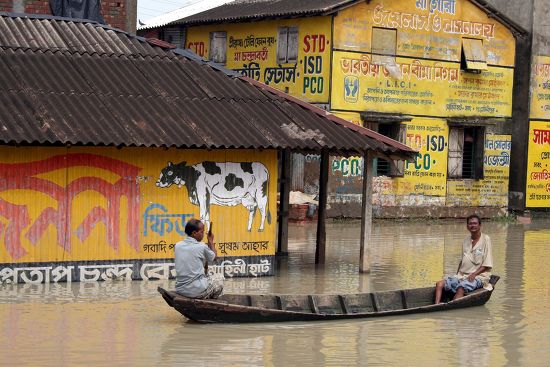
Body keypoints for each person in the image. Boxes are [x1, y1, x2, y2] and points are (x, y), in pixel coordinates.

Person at [434, 214, 493, 304]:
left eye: (475, 223)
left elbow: (487, 265)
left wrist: (474, 274)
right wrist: (457, 275)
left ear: (480, 225)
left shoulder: (486, 239)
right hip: (462, 275)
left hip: (479, 276)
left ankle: (452, 307)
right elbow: (462, 260)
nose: (472, 225)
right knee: (440, 284)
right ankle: (436, 305)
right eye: (470, 224)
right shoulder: (466, 240)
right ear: (467, 226)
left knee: (461, 288)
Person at [174, 218, 224, 299]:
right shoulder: (201, 246)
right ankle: (212, 301)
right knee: (220, 278)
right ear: (194, 233)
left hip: (180, 289)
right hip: (196, 291)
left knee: (206, 277)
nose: (203, 234)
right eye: (202, 232)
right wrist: (210, 240)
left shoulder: (177, 245)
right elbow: (214, 257)